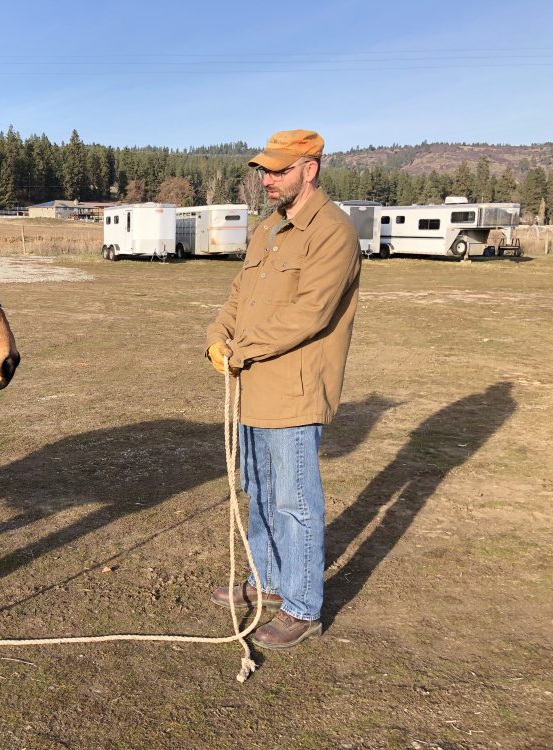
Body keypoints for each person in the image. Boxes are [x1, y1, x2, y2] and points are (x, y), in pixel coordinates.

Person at [205, 129, 361, 649]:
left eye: (279, 170)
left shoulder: (332, 232)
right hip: (253, 388)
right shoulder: (267, 229)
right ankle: (267, 583)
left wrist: (241, 348)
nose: (268, 180)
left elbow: (309, 314)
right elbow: (238, 296)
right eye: (265, 171)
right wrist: (217, 334)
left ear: (310, 168)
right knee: (261, 491)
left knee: (296, 501)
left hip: (294, 391)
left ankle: (302, 606)